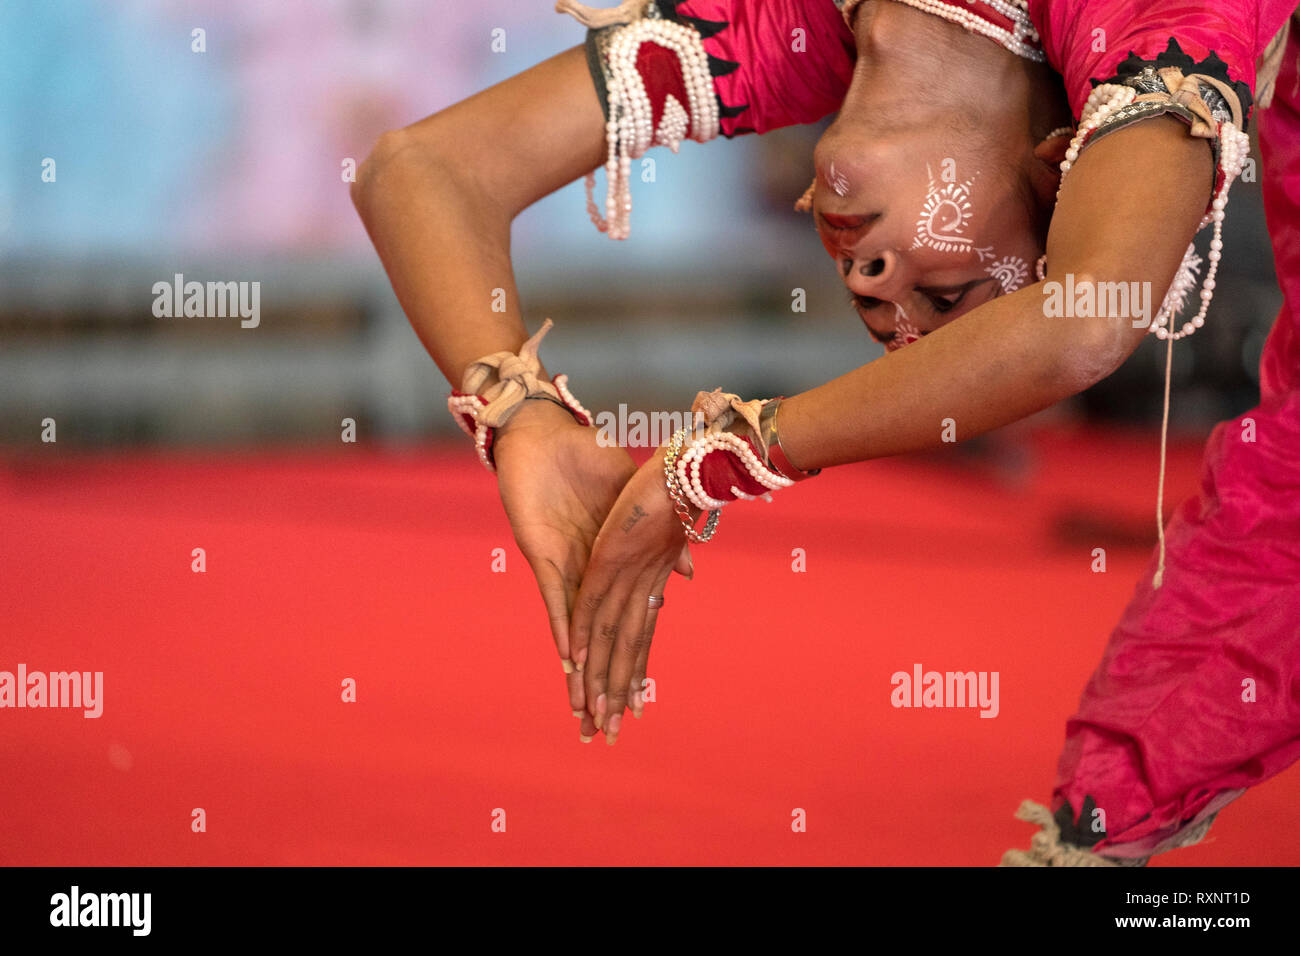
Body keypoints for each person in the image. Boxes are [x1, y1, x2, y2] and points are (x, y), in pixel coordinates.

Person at [351, 0, 1298, 864]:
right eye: (943, 293)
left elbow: (420, 167)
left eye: (873, 304)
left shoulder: (792, 31)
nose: (867, 276)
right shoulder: (1159, 20)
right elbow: (1088, 315)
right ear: (1057, 162)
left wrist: (527, 415)